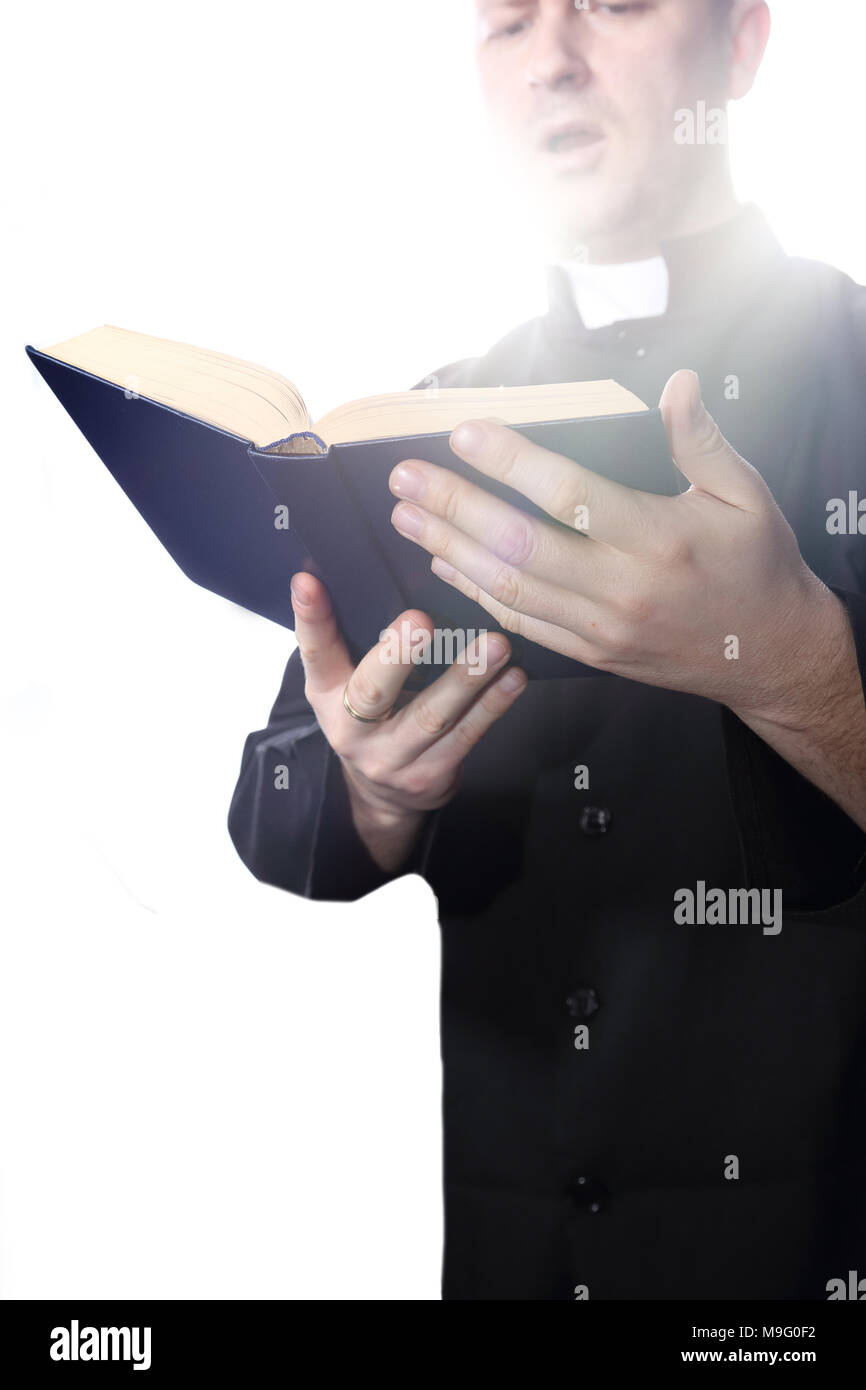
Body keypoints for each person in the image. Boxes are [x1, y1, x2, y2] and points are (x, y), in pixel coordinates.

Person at [229, 0, 866, 1300]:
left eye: (614, 5)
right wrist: (368, 783)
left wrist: (796, 671)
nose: (554, 59)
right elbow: (268, 804)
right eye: (507, 22)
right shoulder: (417, 424)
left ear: (741, 43)